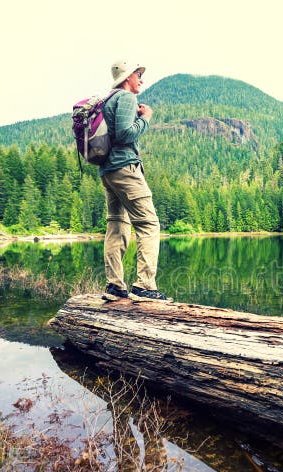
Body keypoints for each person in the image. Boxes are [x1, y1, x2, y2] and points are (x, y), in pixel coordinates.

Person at [99, 60, 168, 302]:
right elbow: (125, 134)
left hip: (108, 171)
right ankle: (144, 285)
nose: (141, 79)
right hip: (125, 169)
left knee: (117, 225)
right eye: (138, 75)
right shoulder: (126, 98)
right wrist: (146, 118)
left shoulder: (108, 100)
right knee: (149, 224)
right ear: (127, 77)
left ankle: (115, 286)